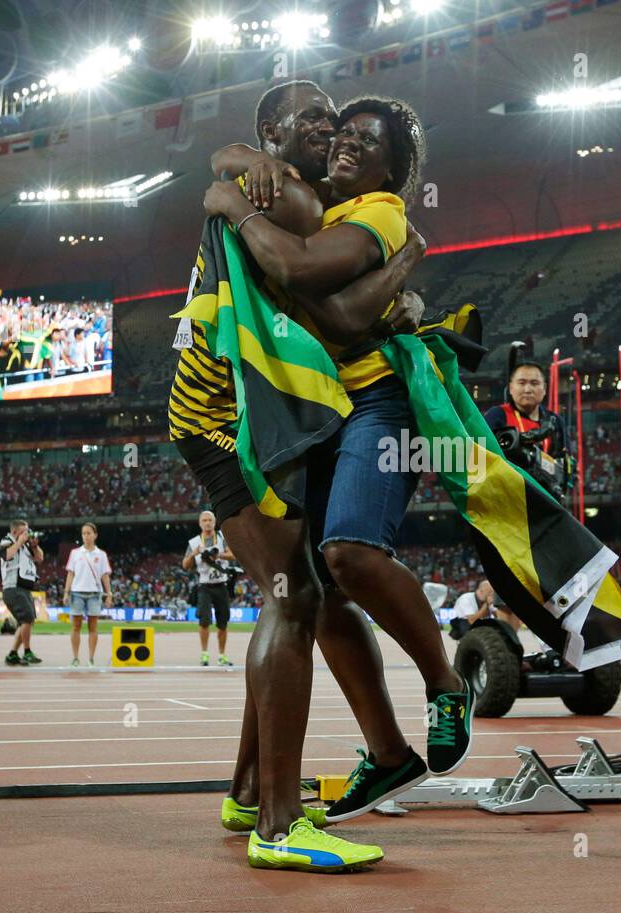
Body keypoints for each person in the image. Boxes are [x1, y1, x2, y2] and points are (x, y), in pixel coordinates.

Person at [170, 80, 432, 871]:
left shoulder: (260, 175)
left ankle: (251, 789)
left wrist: (234, 163)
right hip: (226, 414)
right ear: (274, 132)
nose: (328, 129)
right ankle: (279, 827)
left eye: (334, 119)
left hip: (239, 410)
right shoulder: (283, 194)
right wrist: (241, 173)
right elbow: (315, 248)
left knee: (293, 595)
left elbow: (232, 160)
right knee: (295, 597)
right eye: (311, 120)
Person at [181, 510, 235, 666]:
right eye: (204, 520)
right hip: (204, 586)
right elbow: (185, 565)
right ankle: (204, 654)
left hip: (221, 584)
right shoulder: (194, 542)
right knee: (204, 621)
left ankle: (222, 655)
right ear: (199, 523)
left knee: (223, 622)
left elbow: (234, 555)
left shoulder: (223, 538)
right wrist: (194, 554)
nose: (207, 523)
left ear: (215, 522)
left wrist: (220, 556)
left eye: (210, 520)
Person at [63, 522, 112, 667]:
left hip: (94, 594)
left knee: (93, 627)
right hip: (77, 592)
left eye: (89, 533)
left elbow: (105, 576)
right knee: (76, 626)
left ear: (95, 535)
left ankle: (91, 658)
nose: (86, 536)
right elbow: (70, 574)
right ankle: (75, 657)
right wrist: (66, 592)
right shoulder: (75, 553)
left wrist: (109, 594)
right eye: (84, 533)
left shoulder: (101, 554)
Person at [0, 519, 44, 666]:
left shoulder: (25, 546)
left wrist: (35, 546)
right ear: (14, 531)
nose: (27, 534)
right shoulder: (7, 540)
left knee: (27, 621)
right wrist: (20, 542)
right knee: (27, 620)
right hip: (13, 587)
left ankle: (12, 654)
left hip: (24, 588)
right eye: (24, 531)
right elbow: (6, 555)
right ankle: (27, 652)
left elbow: (40, 558)